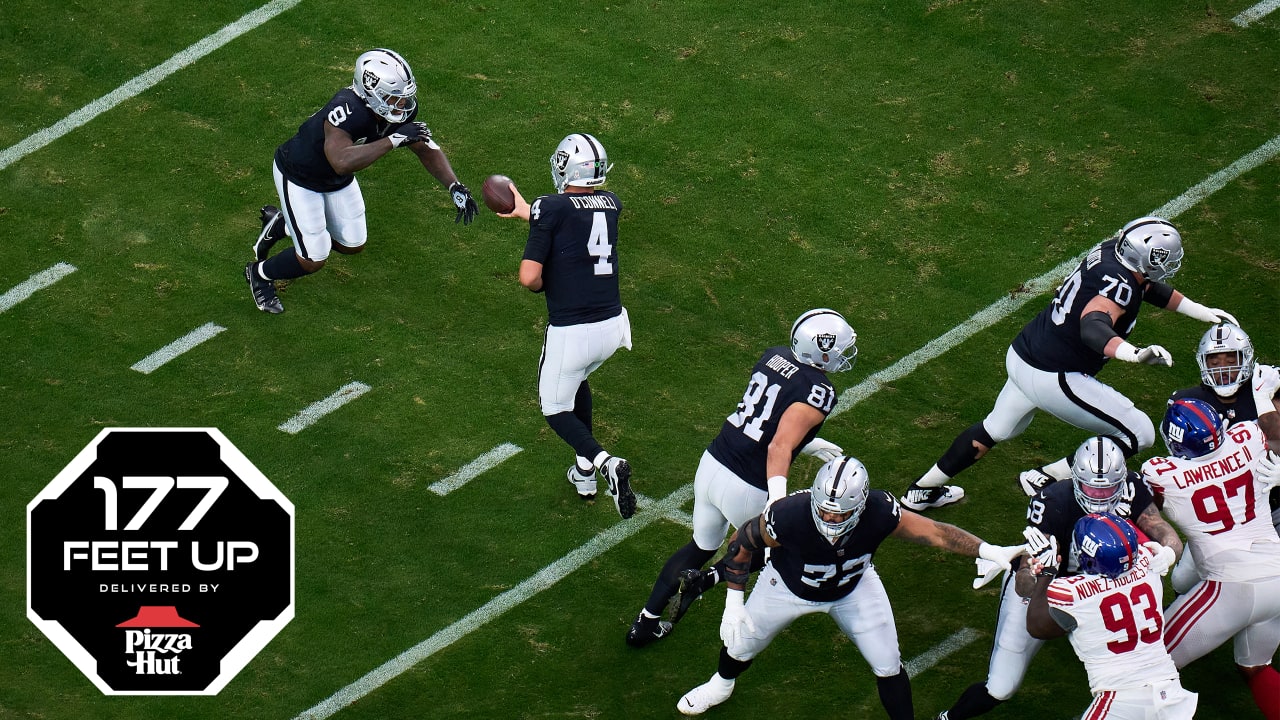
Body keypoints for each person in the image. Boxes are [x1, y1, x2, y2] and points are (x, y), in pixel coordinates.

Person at [901, 216, 1237, 511]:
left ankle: (921, 490)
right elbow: (1093, 326)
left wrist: (1199, 311)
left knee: (996, 428)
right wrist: (1133, 353)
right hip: (1055, 374)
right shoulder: (1119, 285)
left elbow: (1145, 287)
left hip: (1024, 353)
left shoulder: (1110, 251)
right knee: (1139, 433)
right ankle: (1044, 477)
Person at [676, 456, 1025, 717]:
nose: (829, 519)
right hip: (785, 587)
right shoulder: (789, 514)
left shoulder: (879, 510)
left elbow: (934, 532)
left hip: (854, 588)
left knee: (889, 663)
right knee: (739, 642)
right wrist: (734, 603)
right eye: (824, 511)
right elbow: (740, 545)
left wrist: (988, 550)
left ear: (859, 506)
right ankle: (721, 685)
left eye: (839, 514)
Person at [624, 308, 856, 647]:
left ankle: (646, 622)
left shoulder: (774, 356)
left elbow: (767, 415)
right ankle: (711, 584)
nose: (842, 355)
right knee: (780, 549)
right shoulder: (820, 389)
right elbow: (778, 444)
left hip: (713, 463)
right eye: (837, 347)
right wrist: (777, 501)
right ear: (820, 349)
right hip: (748, 484)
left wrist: (807, 442)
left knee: (700, 545)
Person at [933, 435, 1182, 720]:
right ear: (1075, 478)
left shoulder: (1132, 487)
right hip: (1049, 588)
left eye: (1107, 489)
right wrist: (1042, 570)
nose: (1099, 496)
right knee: (1001, 687)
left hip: (1100, 586)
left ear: (1121, 481)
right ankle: (948, 718)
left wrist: (1169, 552)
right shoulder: (1052, 502)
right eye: (1092, 487)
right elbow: (1024, 581)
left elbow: (1159, 527)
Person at [245, 48, 478, 314]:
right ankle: (260, 274)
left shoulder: (393, 111)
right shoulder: (346, 109)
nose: (401, 105)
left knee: (352, 244)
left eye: (403, 98)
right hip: (300, 176)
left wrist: (453, 185)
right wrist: (392, 141)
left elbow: (423, 146)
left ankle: (284, 224)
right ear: (371, 91)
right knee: (313, 258)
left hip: (336, 179)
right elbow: (341, 160)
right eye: (393, 98)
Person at [497, 133, 635, 519]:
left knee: (555, 408)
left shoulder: (550, 206)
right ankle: (585, 471)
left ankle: (606, 464)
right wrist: (529, 211)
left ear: (567, 168)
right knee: (578, 380)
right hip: (612, 326)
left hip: (573, 331)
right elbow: (576, 221)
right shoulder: (612, 204)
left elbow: (529, 278)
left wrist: (543, 279)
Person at [1142, 394, 1280, 720]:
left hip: (1229, 587)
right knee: (1255, 666)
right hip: (1277, 576)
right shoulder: (1248, 436)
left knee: (1144, 665)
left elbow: (1139, 512)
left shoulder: (1161, 473)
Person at [1025, 513, 1197, 720]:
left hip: (1121, 699)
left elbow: (1037, 626)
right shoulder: (1149, 561)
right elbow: (1152, 550)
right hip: (1170, 689)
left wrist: (1047, 572)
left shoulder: (1070, 592)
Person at [1167, 321, 1280, 551]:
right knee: (1182, 581)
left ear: (1245, 359)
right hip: (1219, 518)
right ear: (1203, 362)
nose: (1223, 367)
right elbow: (1183, 466)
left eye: (1231, 359)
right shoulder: (1187, 403)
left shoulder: (1265, 390)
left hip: (1271, 506)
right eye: (1214, 360)